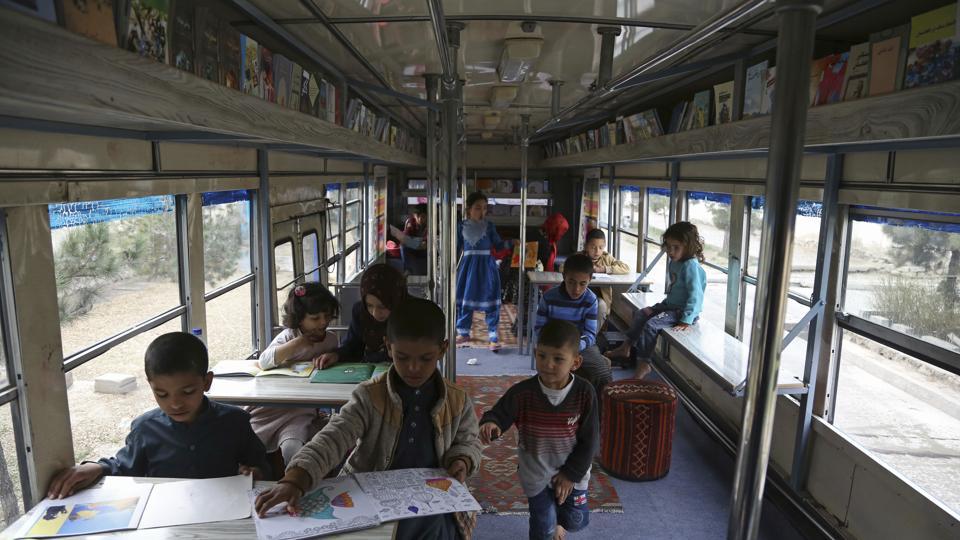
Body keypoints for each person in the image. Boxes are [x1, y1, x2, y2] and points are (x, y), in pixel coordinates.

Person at [255, 297, 482, 540]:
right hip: (372, 495)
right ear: (388, 346)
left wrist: (462, 460)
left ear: (443, 349)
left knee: (434, 529)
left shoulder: (457, 400)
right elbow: (333, 438)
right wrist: (295, 480)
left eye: (426, 359)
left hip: (432, 498)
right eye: (402, 357)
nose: (414, 368)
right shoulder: (369, 396)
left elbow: (468, 441)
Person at [46, 332, 268, 499]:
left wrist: (255, 472)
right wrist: (97, 467)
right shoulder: (145, 428)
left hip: (225, 512)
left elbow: (263, 466)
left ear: (207, 382)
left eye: (188, 392)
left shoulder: (235, 422)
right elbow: (124, 467)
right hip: (164, 519)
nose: (175, 403)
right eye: (161, 394)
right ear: (150, 386)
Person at [479, 319, 598, 540]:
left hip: (573, 471)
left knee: (574, 520)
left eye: (558, 359)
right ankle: (550, 525)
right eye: (542, 356)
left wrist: (570, 475)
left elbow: (590, 441)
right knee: (543, 528)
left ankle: (559, 522)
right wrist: (492, 423)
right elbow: (499, 413)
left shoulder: (585, 393)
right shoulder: (522, 393)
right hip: (537, 472)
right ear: (535, 352)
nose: (547, 364)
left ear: (575, 362)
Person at [249, 283, 340, 467]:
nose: (323, 322)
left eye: (327, 316)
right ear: (299, 319)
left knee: (292, 448)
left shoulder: (330, 340)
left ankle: (296, 481)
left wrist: (334, 356)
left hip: (301, 411)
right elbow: (264, 361)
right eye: (315, 318)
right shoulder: (288, 337)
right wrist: (298, 343)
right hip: (271, 407)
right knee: (249, 445)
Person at [607, 221, 706, 379]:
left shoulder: (690, 266)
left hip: (680, 312)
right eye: (669, 246)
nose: (671, 252)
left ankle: (643, 364)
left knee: (651, 325)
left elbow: (696, 297)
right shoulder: (676, 262)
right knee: (641, 314)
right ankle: (626, 347)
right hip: (668, 306)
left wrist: (686, 320)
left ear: (688, 247)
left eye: (676, 247)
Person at [534, 254, 612, 397]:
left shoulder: (590, 300)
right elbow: (539, 329)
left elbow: (589, 334)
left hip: (580, 346)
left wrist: (574, 348)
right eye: (571, 282)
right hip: (554, 346)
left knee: (603, 375)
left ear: (590, 280)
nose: (576, 289)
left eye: (583, 283)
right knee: (553, 374)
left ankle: (597, 416)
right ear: (564, 277)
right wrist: (557, 347)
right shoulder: (549, 297)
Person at [316, 263, 406, 369]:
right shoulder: (361, 312)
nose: (375, 313)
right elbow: (352, 346)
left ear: (396, 299)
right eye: (369, 305)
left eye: (383, 306)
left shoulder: (414, 314)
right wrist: (336, 355)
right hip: (369, 371)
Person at [456, 192, 511, 351]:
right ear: (469, 210)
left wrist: (510, 243)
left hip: (487, 266)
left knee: (490, 298)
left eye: (485, 208)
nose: (482, 212)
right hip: (467, 266)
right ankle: (463, 332)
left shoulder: (490, 226)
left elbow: (499, 246)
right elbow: (455, 247)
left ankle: (493, 335)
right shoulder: (461, 226)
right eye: (478, 208)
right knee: (466, 298)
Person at [579, 228, 630, 329]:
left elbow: (625, 268)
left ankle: (591, 336)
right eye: (593, 247)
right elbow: (563, 267)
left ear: (604, 246)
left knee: (601, 305)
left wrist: (604, 269)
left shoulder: (607, 258)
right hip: (580, 294)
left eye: (601, 247)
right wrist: (585, 268)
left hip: (600, 298)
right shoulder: (580, 257)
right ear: (586, 246)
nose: (597, 251)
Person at [390, 203, 429, 275]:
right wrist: (414, 242)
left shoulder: (431, 224)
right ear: (414, 216)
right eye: (418, 216)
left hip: (425, 251)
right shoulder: (411, 222)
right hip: (415, 249)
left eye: (424, 217)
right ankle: (407, 269)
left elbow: (426, 243)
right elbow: (405, 238)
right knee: (403, 246)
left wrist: (413, 241)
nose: (422, 219)